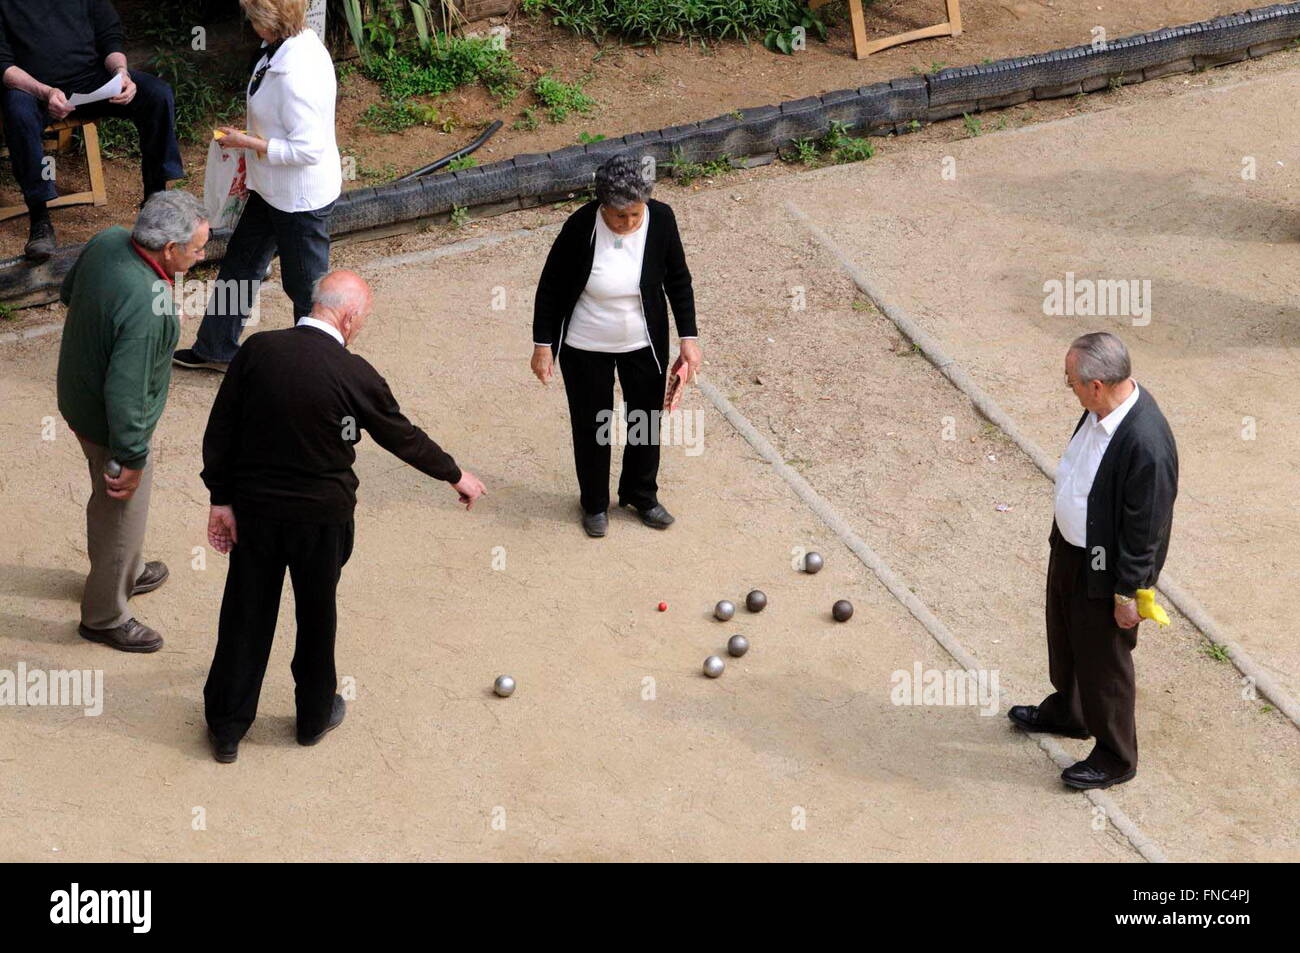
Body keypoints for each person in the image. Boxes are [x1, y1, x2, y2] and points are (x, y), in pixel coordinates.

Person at [199, 270, 486, 763]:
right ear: (349, 317)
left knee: (246, 614)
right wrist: (455, 474)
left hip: (256, 512)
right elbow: (402, 436)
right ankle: (312, 718)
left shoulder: (257, 351)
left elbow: (220, 427)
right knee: (317, 616)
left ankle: (227, 727)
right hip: (321, 519)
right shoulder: (354, 374)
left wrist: (220, 499)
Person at [1008, 332, 1178, 790]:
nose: (1069, 388)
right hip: (1072, 549)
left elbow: (1147, 530)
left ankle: (1115, 756)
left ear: (1097, 385)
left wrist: (1129, 593)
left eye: (1072, 382)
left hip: (1105, 569)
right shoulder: (1099, 410)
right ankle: (1070, 711)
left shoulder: (1146, 443)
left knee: (1105, 662)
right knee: (1065, 637)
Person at [56, 191, 209, 652]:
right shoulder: (149, 305)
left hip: (77, 396)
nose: (201, 257)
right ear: (167, 250)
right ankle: (104, 615)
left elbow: (69, 293)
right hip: (110, 425)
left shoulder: (107, 240)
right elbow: (127, 395)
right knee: (121, 507)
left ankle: (129, 571)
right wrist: (132, 456)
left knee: (115, 507)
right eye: (197, 249)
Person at [531, 153, 701, 538]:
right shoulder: (579, 226)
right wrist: (543, 345)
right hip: (585, 342)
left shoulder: (661, 219)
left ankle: (641, 494)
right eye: (619, 216)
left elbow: (679, 280)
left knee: (646, 422)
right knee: (593, 426)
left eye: (635, 215)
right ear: (603, 206)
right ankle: (593, 503)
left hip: (643, 342)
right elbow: (551, 288)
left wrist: (688, 339)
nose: (628, 223)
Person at [174, 0, 341, 373]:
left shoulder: (298, 72)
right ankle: (215, 348)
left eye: (252, 17)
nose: (248, 23)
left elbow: (308, 149)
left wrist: (247, 143)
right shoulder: (280, 49)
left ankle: (316, 371)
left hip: (299, 199)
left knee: (306, 289)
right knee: (241, 262)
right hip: (269, 187)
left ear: (269, 20)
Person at [0, 0, 184, 261]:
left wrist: (122, 74)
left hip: (90, 80)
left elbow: (110, 40)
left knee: (157, 94)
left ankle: (155, 202)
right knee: (17, 109)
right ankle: (39, 219)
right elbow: (4, 67)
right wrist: (45, 91)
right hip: (34, 90)